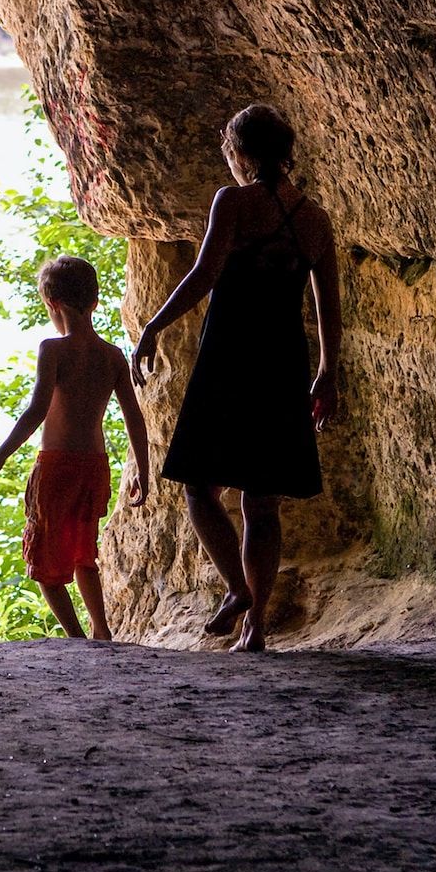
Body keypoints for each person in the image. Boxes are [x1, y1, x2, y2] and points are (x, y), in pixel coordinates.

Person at [131, 104, 341, 652]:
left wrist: (153, 325)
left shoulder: (234, 202)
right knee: (262, 503)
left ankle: (236, 591)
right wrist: (326, 374)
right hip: (283, 362)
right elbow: (328, 308)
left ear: (240, 152)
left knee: (200, 489)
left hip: (229, 358)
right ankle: (257, 627)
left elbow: (205, 273)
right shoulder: (315, 220)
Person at [0, 256, 151, 640]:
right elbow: (134, 418)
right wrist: (143, 469)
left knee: (45, 565)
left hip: (57, 467)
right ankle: (102, 630)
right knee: (83, 555)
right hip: (94, 467)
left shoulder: (53, 349)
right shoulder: (112, 356)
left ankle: (76, 638)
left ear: (52, 304)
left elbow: (36, 411)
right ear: (94, 302)